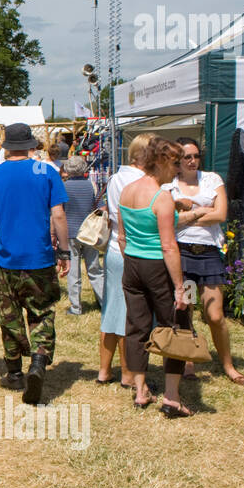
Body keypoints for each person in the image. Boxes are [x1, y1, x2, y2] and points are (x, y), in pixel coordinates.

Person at [0, 123, 69, 405]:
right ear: (31, 145)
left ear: (6, 147)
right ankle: (39, 362)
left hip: (7, 258)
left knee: (8, 314)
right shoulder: (47, 172)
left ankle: (15, 372)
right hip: (39, 258)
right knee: (41, 313)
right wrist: (64, 252)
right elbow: (59, 216)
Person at [119, 137, 193, 416]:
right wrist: (179, 288)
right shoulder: (161, 197)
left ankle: (140, 391)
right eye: (175, 163)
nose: (178, 169)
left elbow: (122, 237)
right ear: (160, 162)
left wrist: (132, 264)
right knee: (176, 324)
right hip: (158, 267)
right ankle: (171, 396)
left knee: (137, 327)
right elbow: (168, 245)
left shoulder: (127, 191)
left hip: (133, 265)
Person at [167, 137, 244, 384]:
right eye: (186, 157)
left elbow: (221, 214)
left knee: (215, 315)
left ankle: (228, 364)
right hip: (184, 254)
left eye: (196, 156)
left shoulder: (212, 179)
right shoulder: (168, 186)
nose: (192, 161)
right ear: (177, 160)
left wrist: (188, 214)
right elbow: (169, 220)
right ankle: (189, 360)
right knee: (186, 310)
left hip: (209, 252)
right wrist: (204, 210)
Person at [98, 133, 154, 385]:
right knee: (130, 316)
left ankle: (104, 370)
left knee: (112, 311)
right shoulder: (143, 181)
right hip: (134, 250)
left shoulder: (114, 178)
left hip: (113, 249)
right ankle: (128, 373)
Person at [62, 155, 105, 316]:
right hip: (90, 232)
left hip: (70, 232)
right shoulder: (91, 186)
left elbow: (61, 211)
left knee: (73, 271)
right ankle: (103, 303)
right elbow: (100, 208)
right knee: (95, 269)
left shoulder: (63, 187)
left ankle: (75, 307)